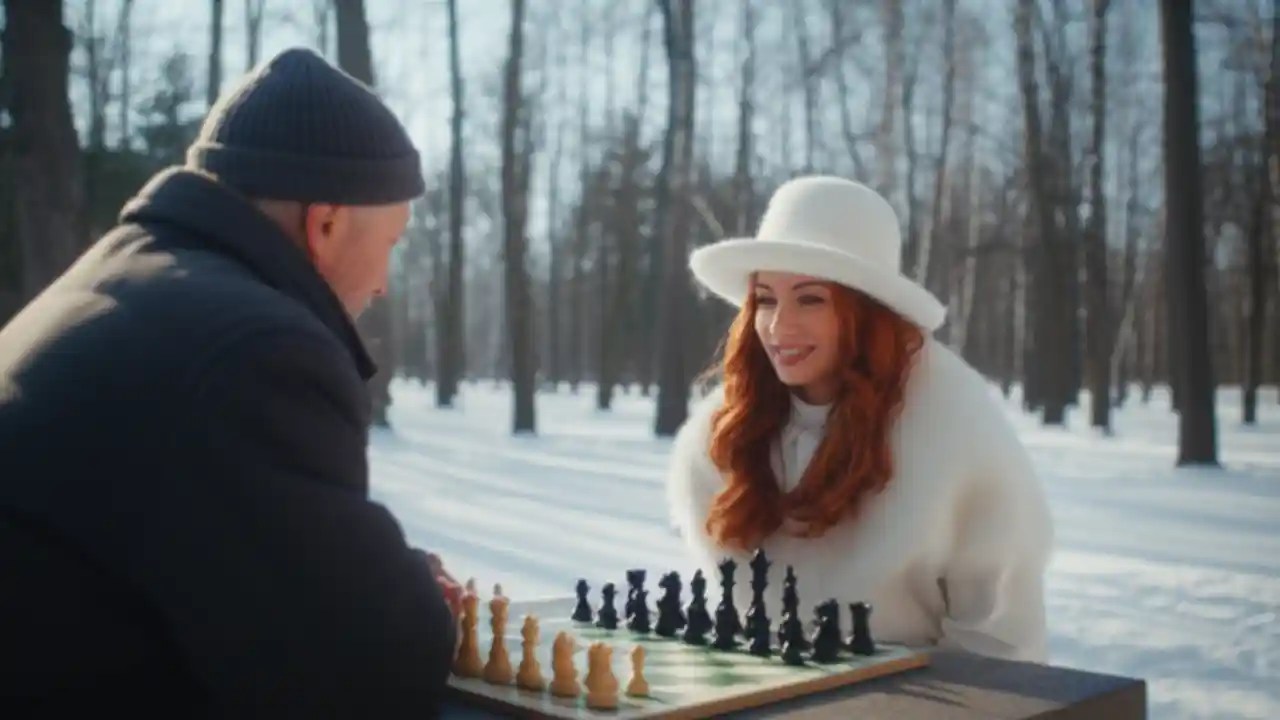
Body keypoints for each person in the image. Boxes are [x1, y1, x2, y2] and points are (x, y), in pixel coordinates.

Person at [0, 48, 463, 715]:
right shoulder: (255, 352)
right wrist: (419, 602)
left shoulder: (118, 282)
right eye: (391, 243)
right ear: (326, 222)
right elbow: (368, 672)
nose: (385, 282)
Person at [665, 176, 1053, 662]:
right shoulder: (719, 439)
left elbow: (1002, 647)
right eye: (765, 299)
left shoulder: (956, 432)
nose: (778, 326)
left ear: (865, 312)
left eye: (810, 298)